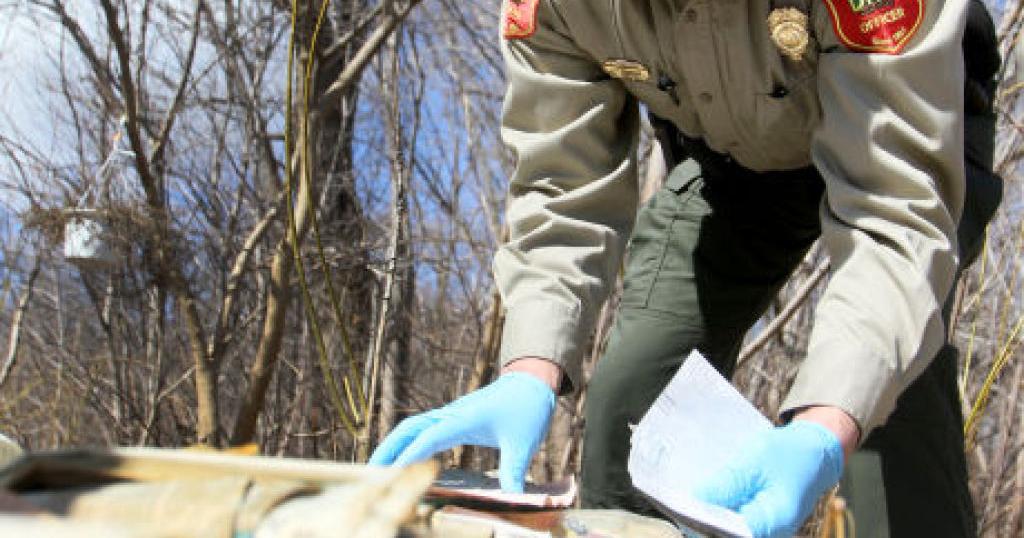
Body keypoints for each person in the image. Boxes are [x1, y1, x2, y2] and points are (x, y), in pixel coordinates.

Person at [371, 1, 1002, 536]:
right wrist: (529, 371)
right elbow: (562, 186)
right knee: (634, 393)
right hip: (734, 164)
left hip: (903, 135)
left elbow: (894, 213)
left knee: (886, 403)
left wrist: (826, 426)